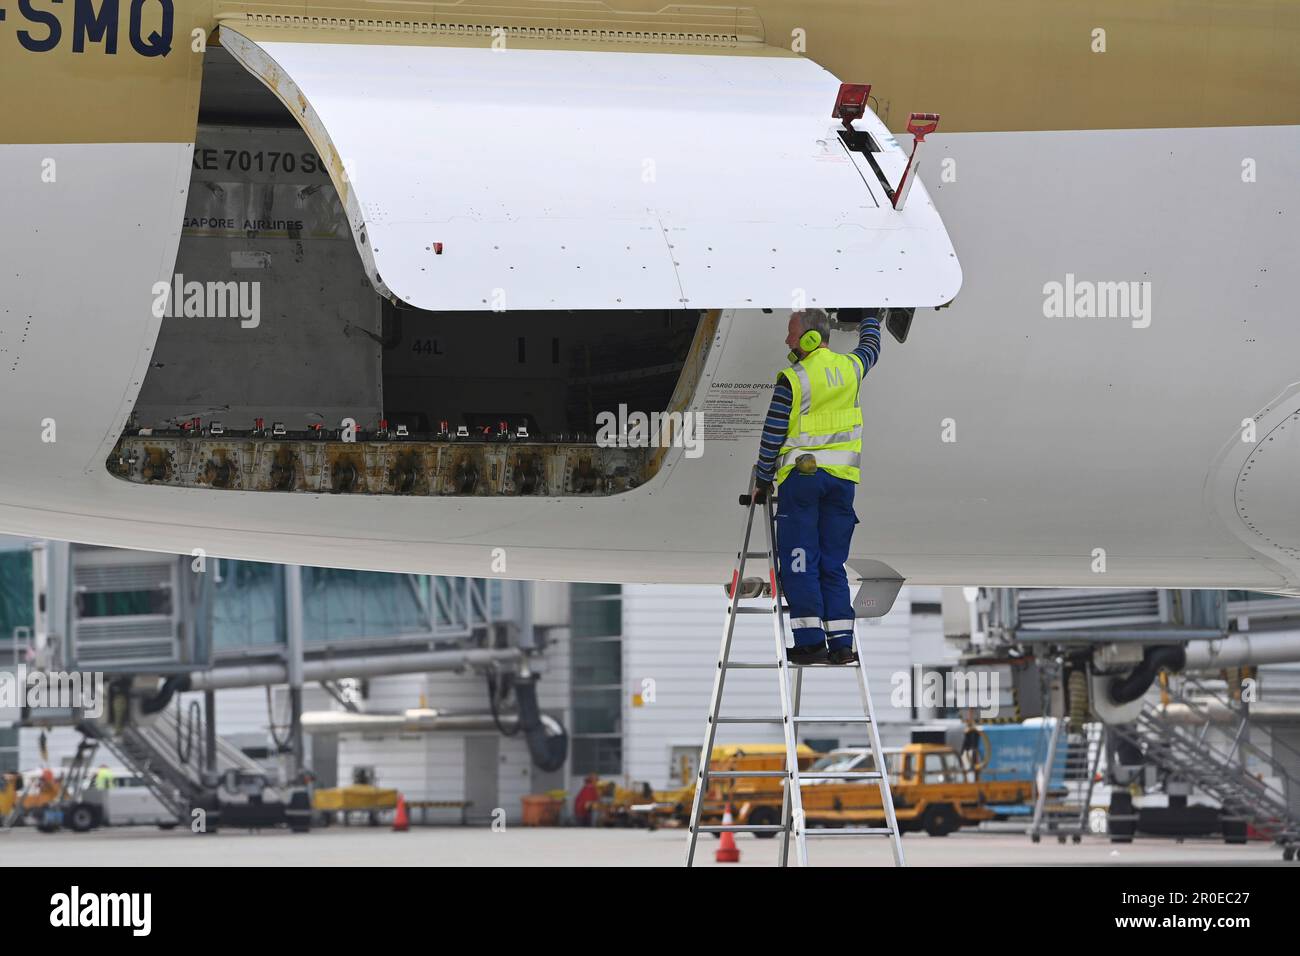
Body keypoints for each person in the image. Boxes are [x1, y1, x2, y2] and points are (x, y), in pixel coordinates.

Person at [753, 308, 881, 665]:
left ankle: (809, 642)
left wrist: (763, 479)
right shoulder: (851, 368)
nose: (787, 340)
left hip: (803, 482)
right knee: (832, 563)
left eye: (792, 333)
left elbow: (772, 435)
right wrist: (871, 317)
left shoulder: (794, 378)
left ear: (810, 338)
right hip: (842, 484)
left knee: (799, 561)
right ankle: (841, 644)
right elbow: (871, 347)